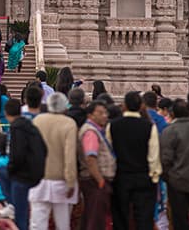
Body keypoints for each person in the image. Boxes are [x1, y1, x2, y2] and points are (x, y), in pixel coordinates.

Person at [108, 91, 161, 230]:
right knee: (144, 218)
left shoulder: (113, 125)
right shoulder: (149, 126)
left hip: (120, 176)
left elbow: (108, 152)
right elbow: (153, 155)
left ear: (124, 106)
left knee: (120, 217)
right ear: (140, 106)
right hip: (143, 176)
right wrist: (154, 176)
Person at [29, 92, 79, 230]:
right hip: (61, 181)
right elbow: (69, 155)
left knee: (37, 223)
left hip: (38, 179)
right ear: (65, 108)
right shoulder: (69, 123)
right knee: (63, 223)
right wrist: (70, 181)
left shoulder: (37, 121)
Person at [0, 98, 46, 230]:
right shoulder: (30, 125)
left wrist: (12, 169)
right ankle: (12, 204)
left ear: (6, 113)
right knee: (1, 172)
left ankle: (12, 205)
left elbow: (17, 154)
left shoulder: (16, 128)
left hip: (22, 175)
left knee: (21, 214)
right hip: (35, 171)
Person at [160, 99, 189, 230]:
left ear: (173, 113)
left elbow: (165, 159)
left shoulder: (169, 131)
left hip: (177, 181)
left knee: (180, 219)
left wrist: (167, 177)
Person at [77, 100, 114, 229]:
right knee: (95, 219)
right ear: (90, 115)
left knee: (92, 216)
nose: (104, 116)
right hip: (94, 181)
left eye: (105, 113)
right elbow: (90, 158)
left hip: (95, 180)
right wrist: (100, 181)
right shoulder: (90, 132)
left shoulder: (97, 131)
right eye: (100, 113)